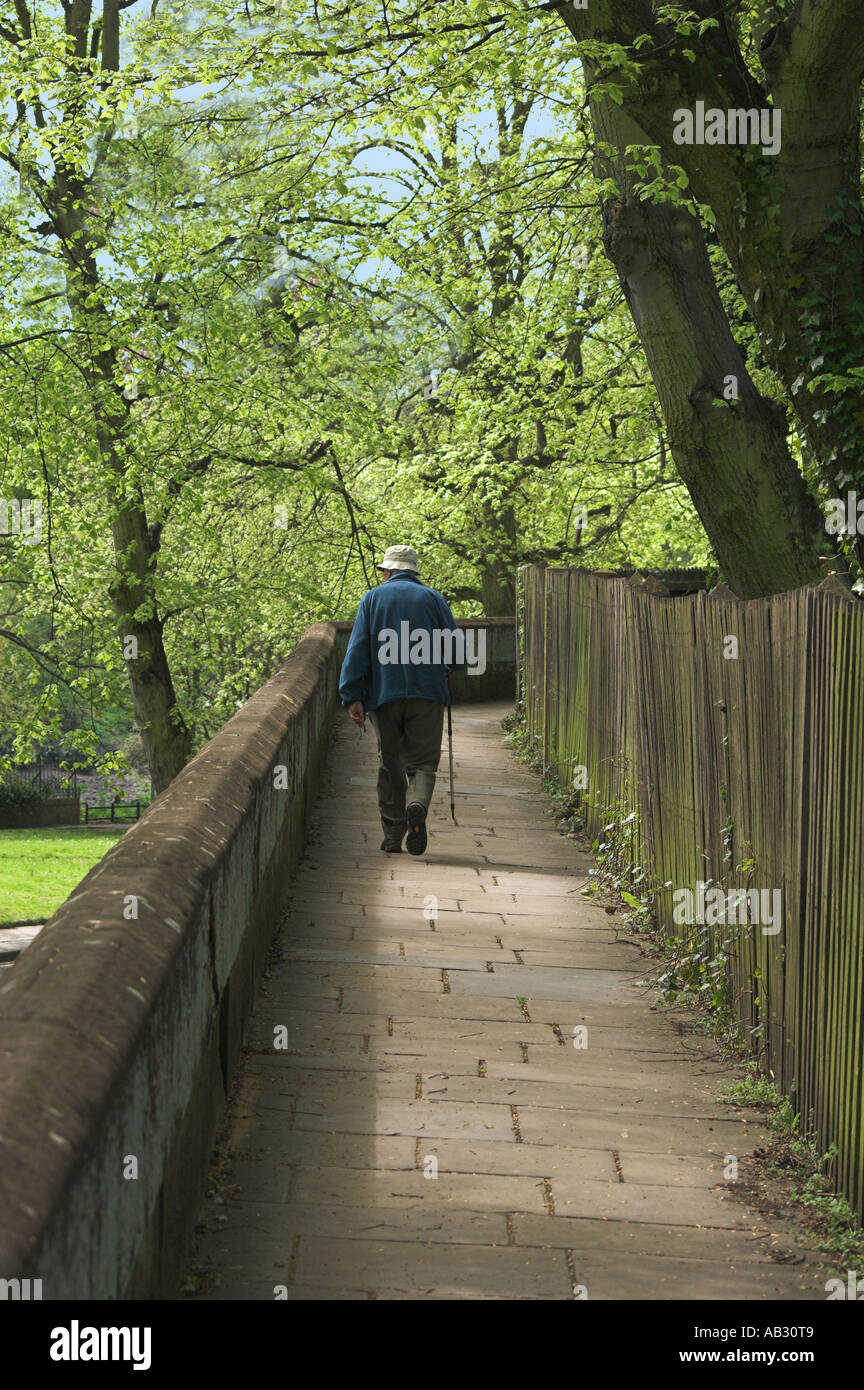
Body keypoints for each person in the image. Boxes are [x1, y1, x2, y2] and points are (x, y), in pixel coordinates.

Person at [339, 545, 463, 855]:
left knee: (389, 761)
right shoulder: (434, 599)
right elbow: (458, 652)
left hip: (385, 694)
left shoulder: (372, 600)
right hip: (428, 693)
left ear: (389, 571)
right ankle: (417, 802)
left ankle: (393, 832)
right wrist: (447, 666)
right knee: (422, 763)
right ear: (412, 571)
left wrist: (352, 695)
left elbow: (358, 651)